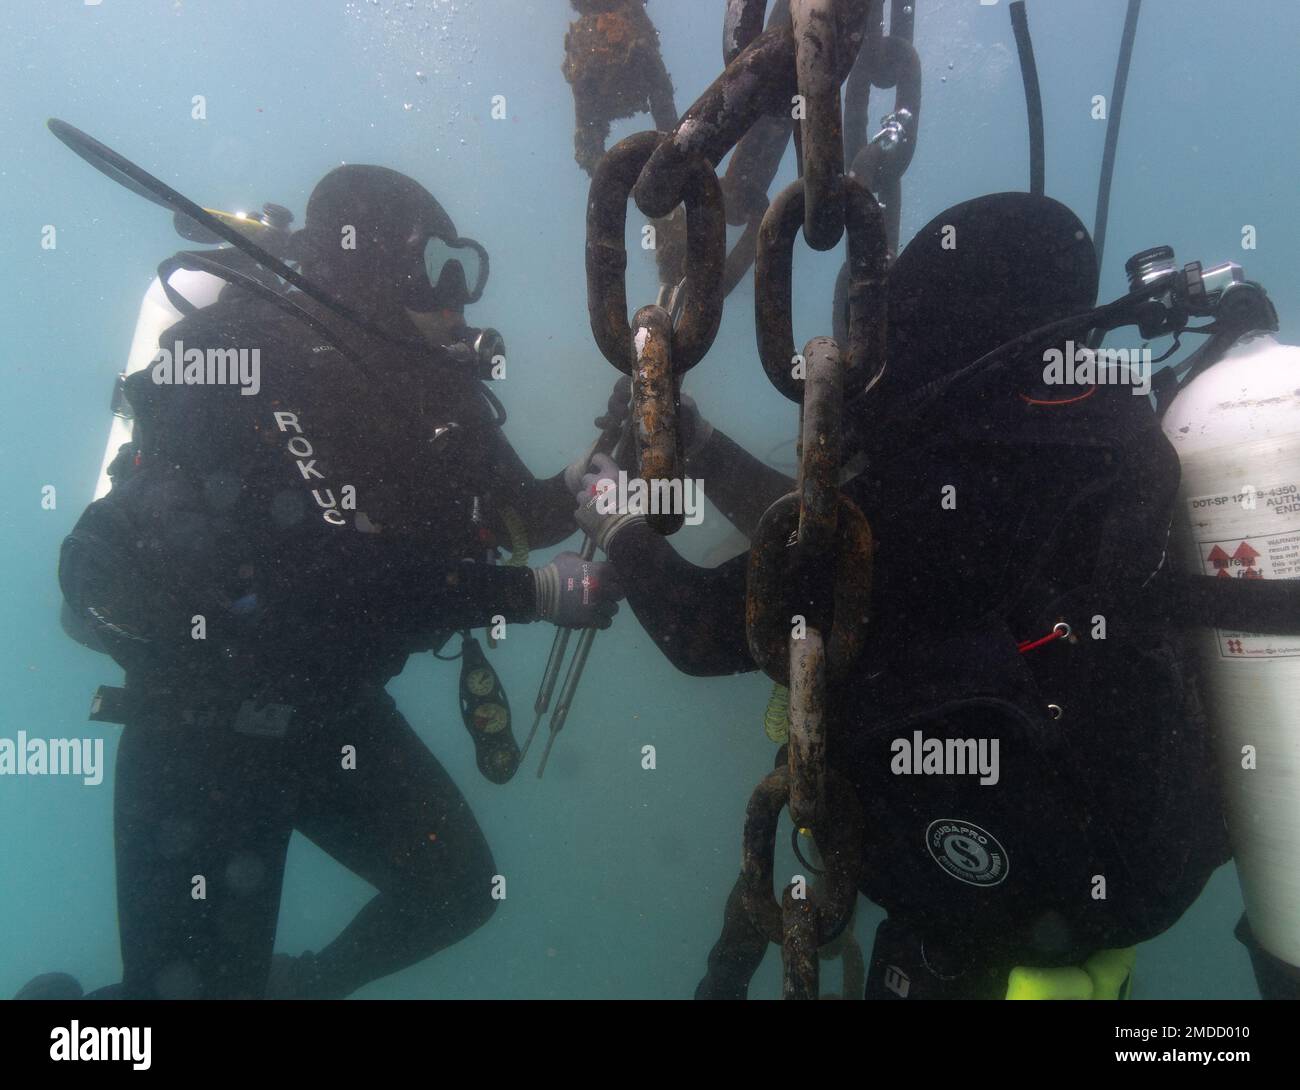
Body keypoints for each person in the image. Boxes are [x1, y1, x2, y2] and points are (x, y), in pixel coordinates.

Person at [573, 192, 1231, 999]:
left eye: (876, 339)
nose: (859, 368)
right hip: (1118, 868)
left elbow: (707, 628)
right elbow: (834, 551)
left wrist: (615, 521)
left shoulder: (954, 489)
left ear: (932, 330)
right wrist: (701, 447)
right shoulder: (1091, 445)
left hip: (998, 903)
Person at [25, 164, 622, 1001]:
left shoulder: (427, 390)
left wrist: (580, 485)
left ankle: (297, 990)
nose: (460, 297)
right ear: (376, 266)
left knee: (456, 887)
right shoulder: (267, 360)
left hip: (327, 708)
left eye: (464, 269)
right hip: (205, 725)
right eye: (437, 266)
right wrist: (534, 596)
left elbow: (503, 518)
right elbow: (325, 577)